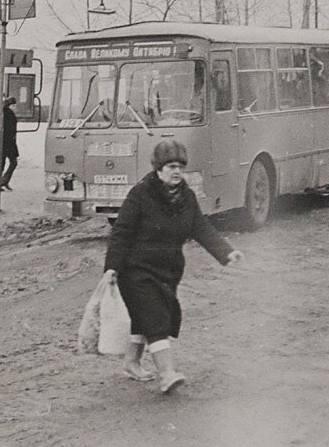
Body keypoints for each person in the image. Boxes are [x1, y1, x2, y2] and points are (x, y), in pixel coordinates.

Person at [104, 140, 244, 393]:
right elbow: (121, 232)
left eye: (180, 166)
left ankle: (131, 363)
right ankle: (167, 373)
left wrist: (226, 252)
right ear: (158, 169)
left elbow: (200, 227)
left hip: (167, 270)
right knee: (156, 320)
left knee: (146, 316)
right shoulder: (141, 194)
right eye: (171, 166)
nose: (177, 171)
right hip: (136, 270)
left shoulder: (186, 196)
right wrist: (112, 267)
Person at [0, 96, 19, 191]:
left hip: (5, 143)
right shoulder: (8, 115)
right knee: (13, 162)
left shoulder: (4, 114)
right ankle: (2, 182)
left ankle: (1, 182)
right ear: (9, 106)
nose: (15, 107)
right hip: (8, 144)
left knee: (2, 164)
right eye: (14, 105)